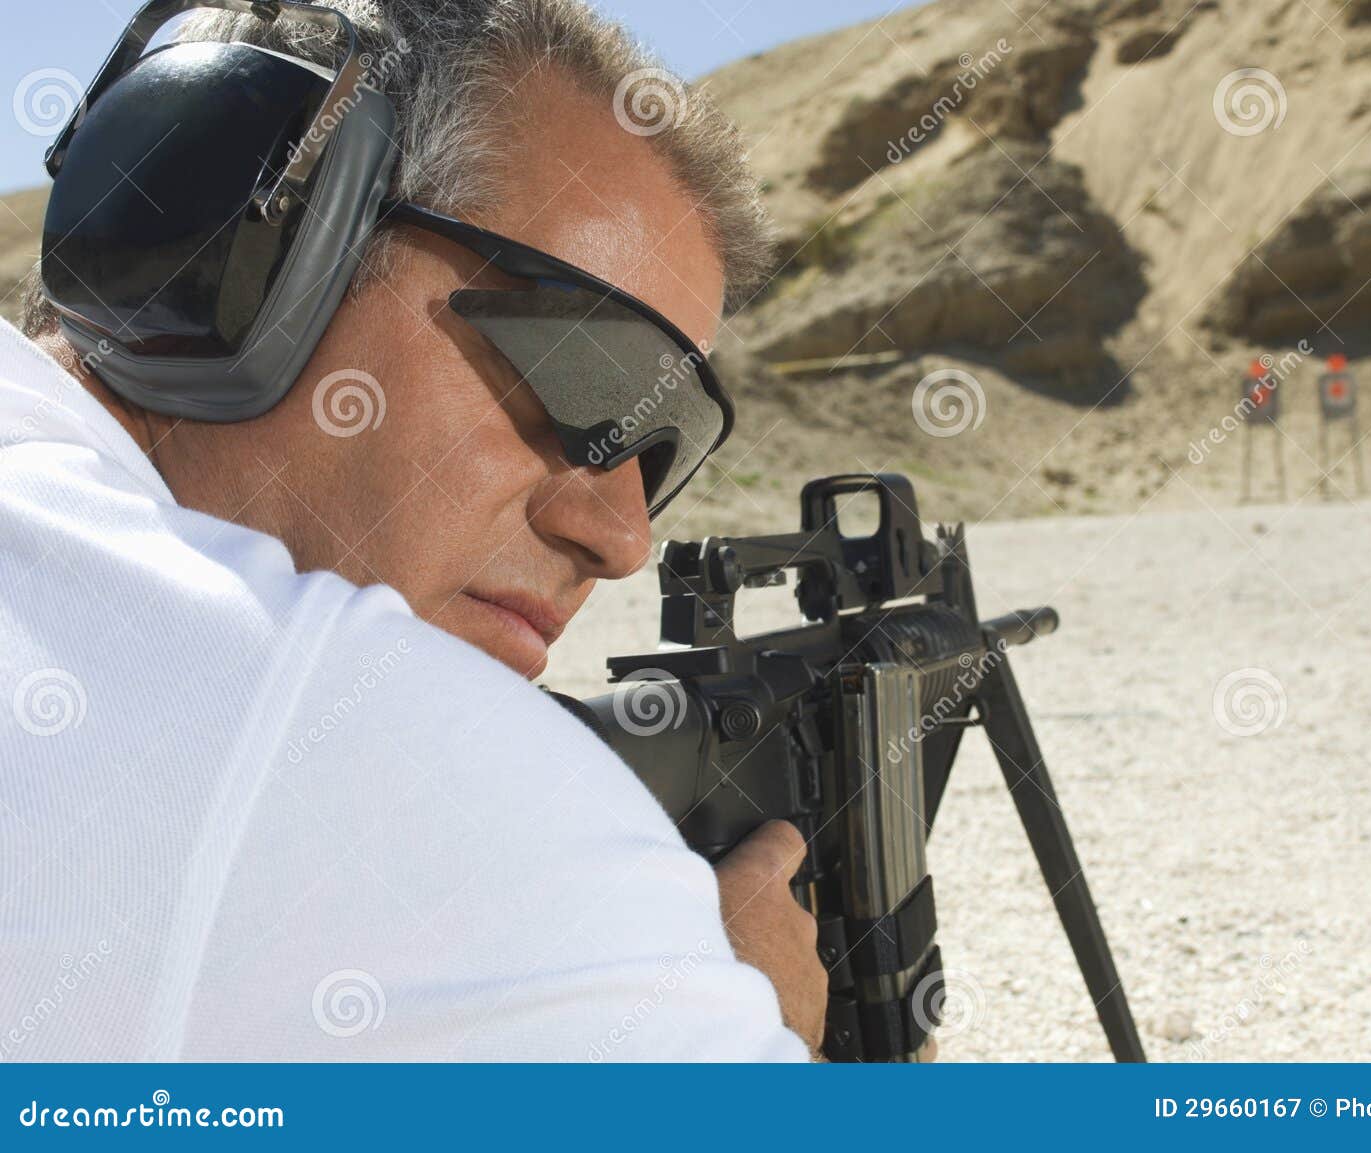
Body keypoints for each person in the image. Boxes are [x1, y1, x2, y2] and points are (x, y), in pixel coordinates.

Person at [0, 0, 823, 1061]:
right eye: (586, 371)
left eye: (665, 445)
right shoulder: (357, 741)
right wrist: (772, 1018)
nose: (620, 535)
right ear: (234, 253)